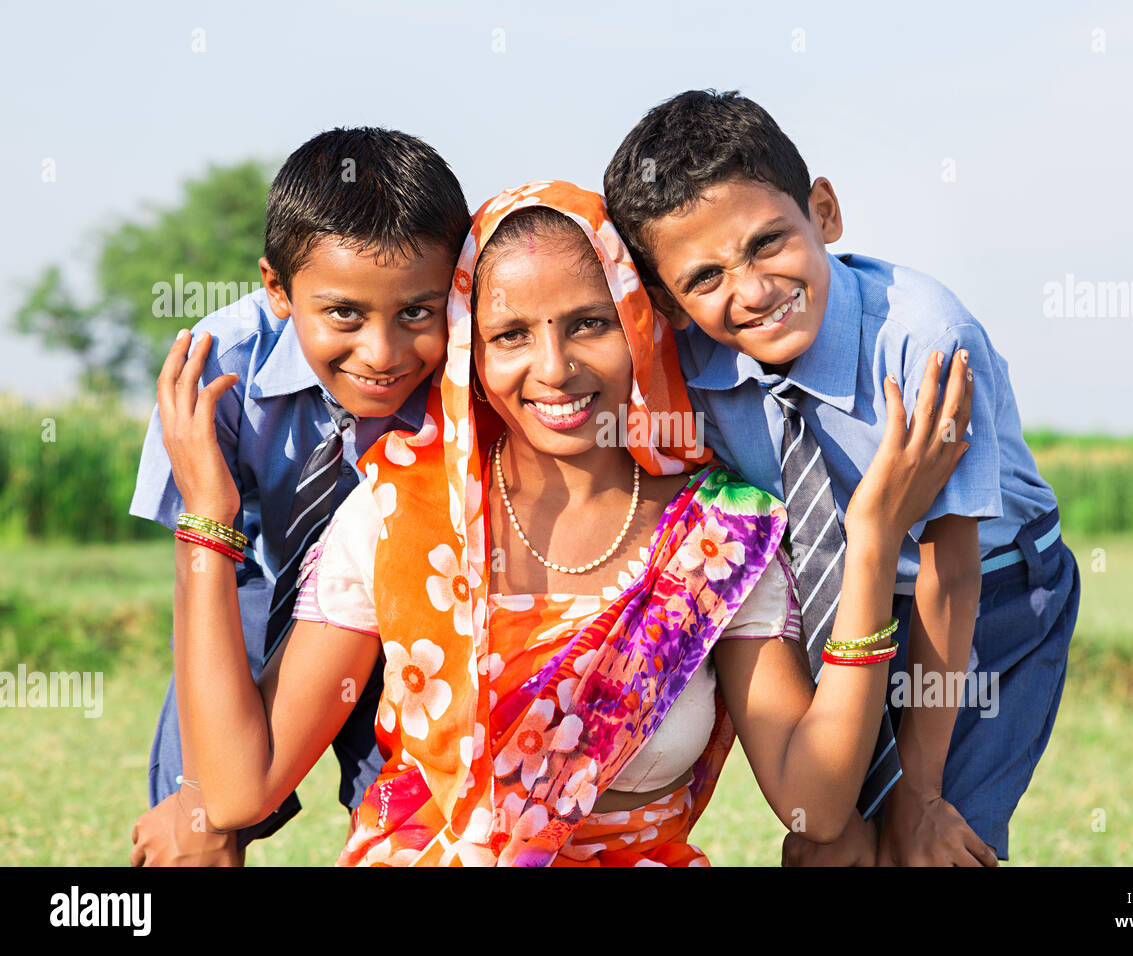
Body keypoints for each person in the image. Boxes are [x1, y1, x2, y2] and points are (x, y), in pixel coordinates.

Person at [154, 180, 972, 865]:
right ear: (471, 348)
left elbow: (815, 806)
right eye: (510, 334)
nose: (553, 369)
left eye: (589, 323)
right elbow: (240, 786)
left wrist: (872, 547)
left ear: (641, 324)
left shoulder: (714, 537)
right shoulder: (401, 510)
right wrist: (207, 521)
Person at [604, 89, 1082, 865]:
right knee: (824, 846)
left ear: (823, 212)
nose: (751, 290)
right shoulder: (686, 360)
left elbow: (950, 569)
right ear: (666, 299)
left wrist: (919, 794)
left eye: (768, 243)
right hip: (839, 595)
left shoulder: (924, 340)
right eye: (705, 278)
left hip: (987, 599)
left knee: (929, 844)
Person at [128, 127, 470, 865]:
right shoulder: (212, 373)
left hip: (415, 621)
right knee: (195, 831)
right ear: (278, 289)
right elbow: (199, 574)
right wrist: (207, 509)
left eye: (418, 312)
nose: (382, 355)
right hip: (250, 593)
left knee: (422, 834)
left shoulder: (478, 372)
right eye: (344, 313)